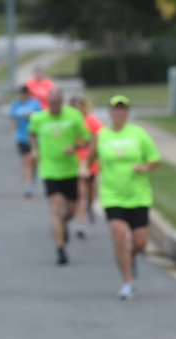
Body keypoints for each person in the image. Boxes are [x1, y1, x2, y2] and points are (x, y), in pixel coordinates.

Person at [96, 95, 160, 300]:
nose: (119, 113)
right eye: (116, 109)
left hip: (139, 195)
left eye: (123, 109)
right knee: (121, 237)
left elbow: (155, 159)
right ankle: (128, 282)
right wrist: (84, 171)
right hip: (112, 194)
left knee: (140, 243)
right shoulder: (102, 135)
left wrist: (145, 167)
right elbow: (90, 156)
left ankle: (129, 260)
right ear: (110, 112)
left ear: (127, 113)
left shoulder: (138, 134)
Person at [28, 88, 92, 265]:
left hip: (70, 170)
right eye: (52, 103)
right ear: (48, 103)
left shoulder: (73, 116)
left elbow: (87, 139)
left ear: (62, 102)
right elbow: (32, 132)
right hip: (50, 170)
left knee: (70, 210)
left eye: (58, 103)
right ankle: (60, 248)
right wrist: (34, 149)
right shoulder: (39, 118)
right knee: (55, 207)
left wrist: (76, 148)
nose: (55, 107)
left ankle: (62, 226)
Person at [69, 95, 104, 238]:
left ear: (84, 107)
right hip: (75, 162)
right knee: (80, 194)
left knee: (90, 194)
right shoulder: (69, 121)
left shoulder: (91, 120)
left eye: (80, 105)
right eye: (74, 106)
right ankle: (81, 224)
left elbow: (101, 136)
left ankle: (89, 206)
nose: (77, 108)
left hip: (91, 161)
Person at [10, 86, 43, 198]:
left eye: (26, 94)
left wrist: (32, 116)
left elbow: (41, 117)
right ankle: (27, 186)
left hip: (35, 137)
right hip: (22, 137)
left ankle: (32, 176)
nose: (24, 96)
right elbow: (13, 118)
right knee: (26, 161)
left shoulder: (35, 104)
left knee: (34, 161)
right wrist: (13, 128)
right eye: (22, 94)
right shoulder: (16, 105)